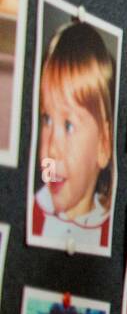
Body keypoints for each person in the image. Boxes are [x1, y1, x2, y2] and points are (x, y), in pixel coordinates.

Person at [30, 20, 115, 252]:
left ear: (103, 145)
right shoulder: (28, 213)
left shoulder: (111, 234)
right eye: (46, 119)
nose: (52, 149)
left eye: (68, 126)